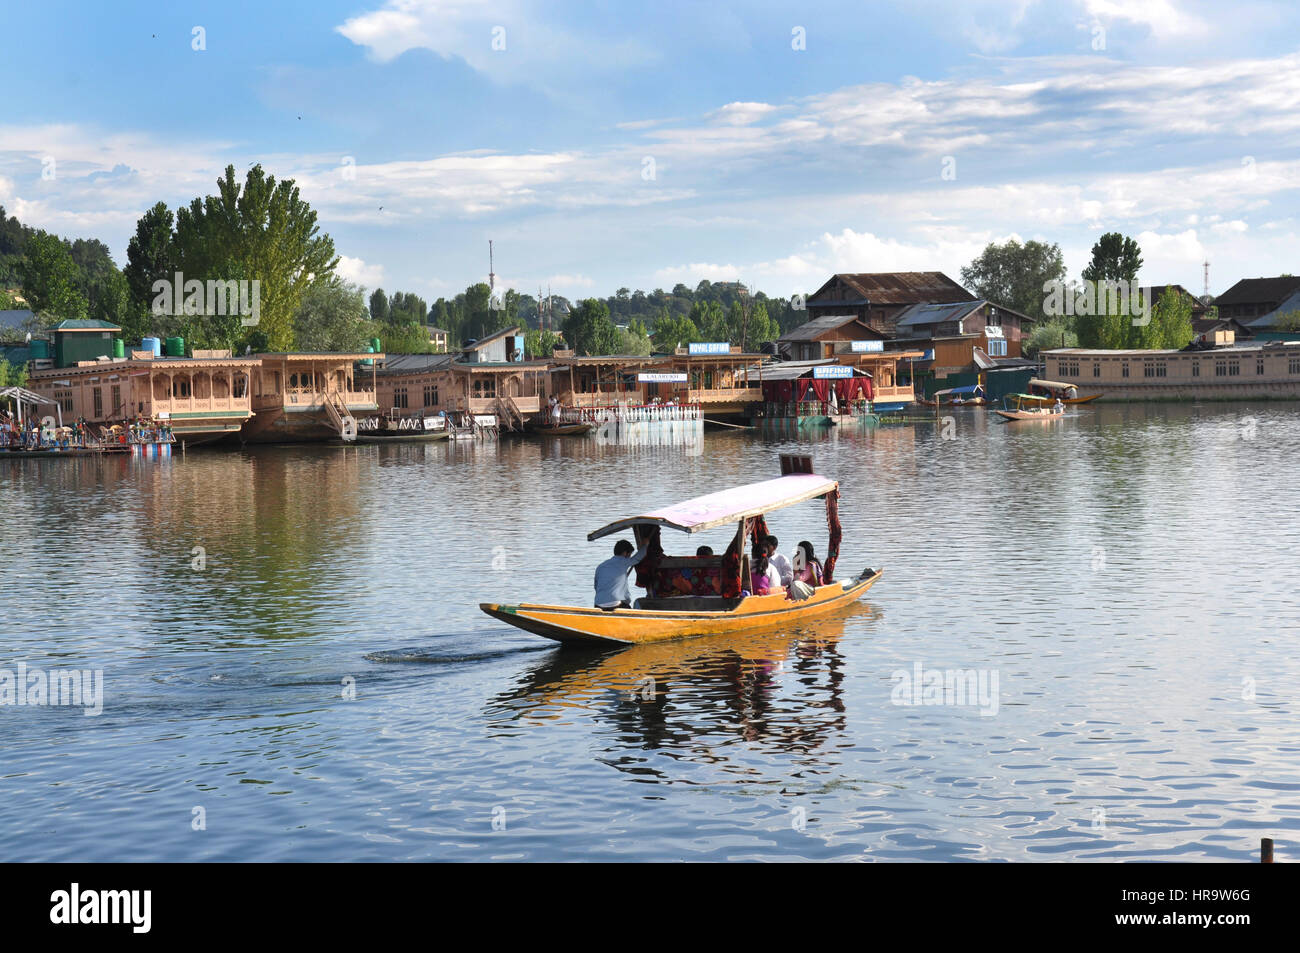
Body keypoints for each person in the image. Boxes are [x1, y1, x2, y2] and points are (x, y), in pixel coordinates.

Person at [594, 538, 649, 610]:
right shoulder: (623, 561)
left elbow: (596, 587)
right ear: (624, 553)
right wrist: (646, 545)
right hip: (615, 605)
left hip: (598, 604)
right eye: (629, 554)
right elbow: (638, 557)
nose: (629, 557)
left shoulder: (601, 566)